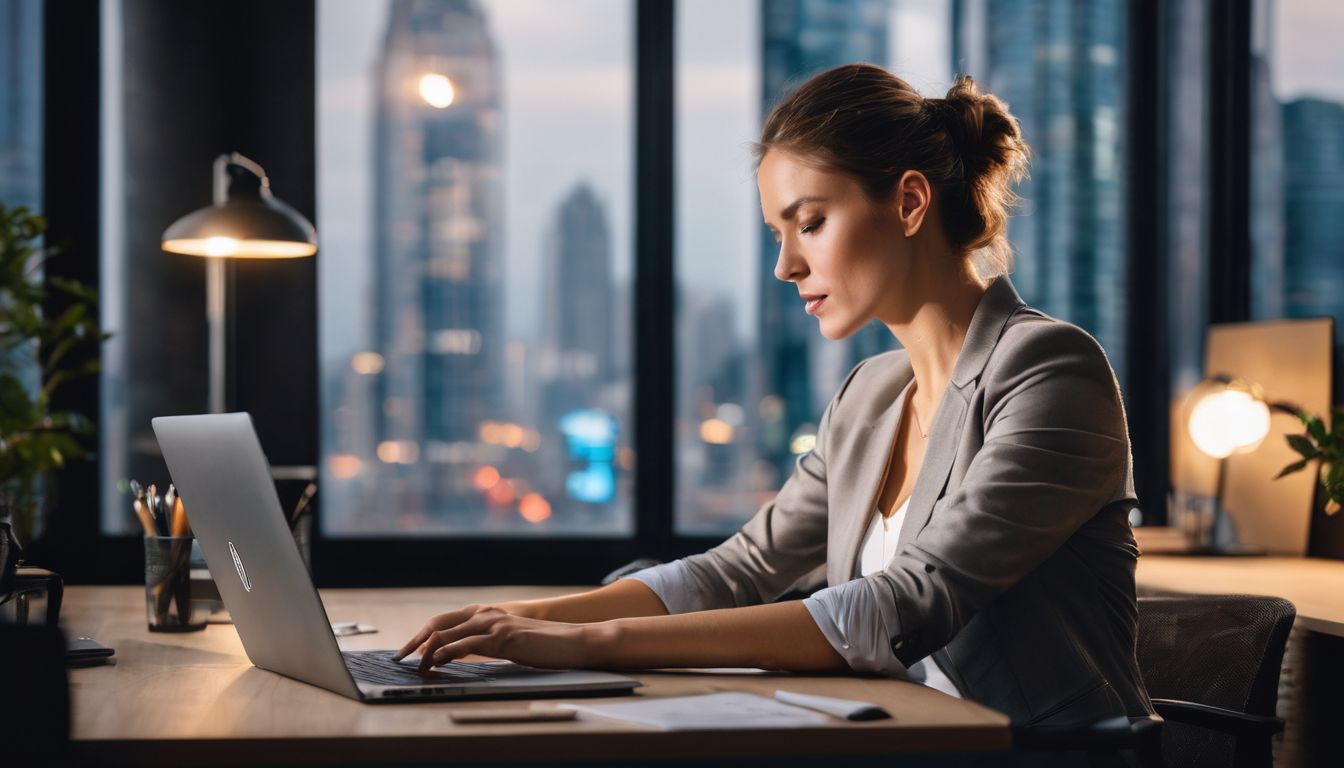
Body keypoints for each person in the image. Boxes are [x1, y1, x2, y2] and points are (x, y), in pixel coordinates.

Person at [396, 63, 1153, 727]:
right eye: (777, 233)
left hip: (1035, 751)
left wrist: (584, 643)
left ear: (911, 203)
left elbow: (903, 605)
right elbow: (737, 572)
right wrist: (516, 620)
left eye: (811, 223)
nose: (786, 265)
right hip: (896, 737)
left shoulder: (1050, 369)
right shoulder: (870, 396)